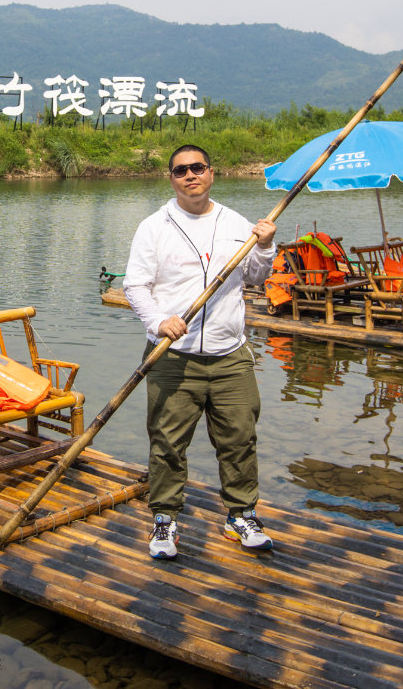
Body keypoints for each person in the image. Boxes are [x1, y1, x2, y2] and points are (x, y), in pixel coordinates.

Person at [123, 144, 276, 559]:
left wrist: (264, 246)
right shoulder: (155, 226)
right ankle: (165, 519)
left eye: (198, 168)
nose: (190, 175)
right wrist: (158, 322)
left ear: (212, 172)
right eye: (180, 171)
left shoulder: (235, 222)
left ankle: (240, 515)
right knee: (168, 442)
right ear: (171, 179)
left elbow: (257, 278)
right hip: (174, 355)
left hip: (231, 355)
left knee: (240, 438)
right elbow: (135, 287)